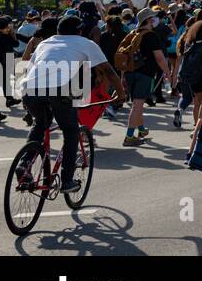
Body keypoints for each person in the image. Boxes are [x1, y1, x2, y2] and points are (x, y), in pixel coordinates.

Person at [19, 15, 124, 192]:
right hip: (60, 89)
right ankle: (67, 180)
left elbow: (30, 68)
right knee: (71, 131)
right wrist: (121, 93)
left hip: (30, 88)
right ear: (80, 31)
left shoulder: (45, 43)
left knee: (40, 124)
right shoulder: (86, 43)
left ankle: (24, 164)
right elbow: (108, 71)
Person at [121, 8, 170, 147]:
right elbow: (159, 57)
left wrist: (123, 76)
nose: (155, 20)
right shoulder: (150, 35)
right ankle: (129, 136)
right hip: (144, 73)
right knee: (137, 105)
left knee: (138, 103)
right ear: (149, 20)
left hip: (130, 72)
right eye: (153, 18)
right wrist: (167, 72)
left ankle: (141, 130)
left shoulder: (133, 33)